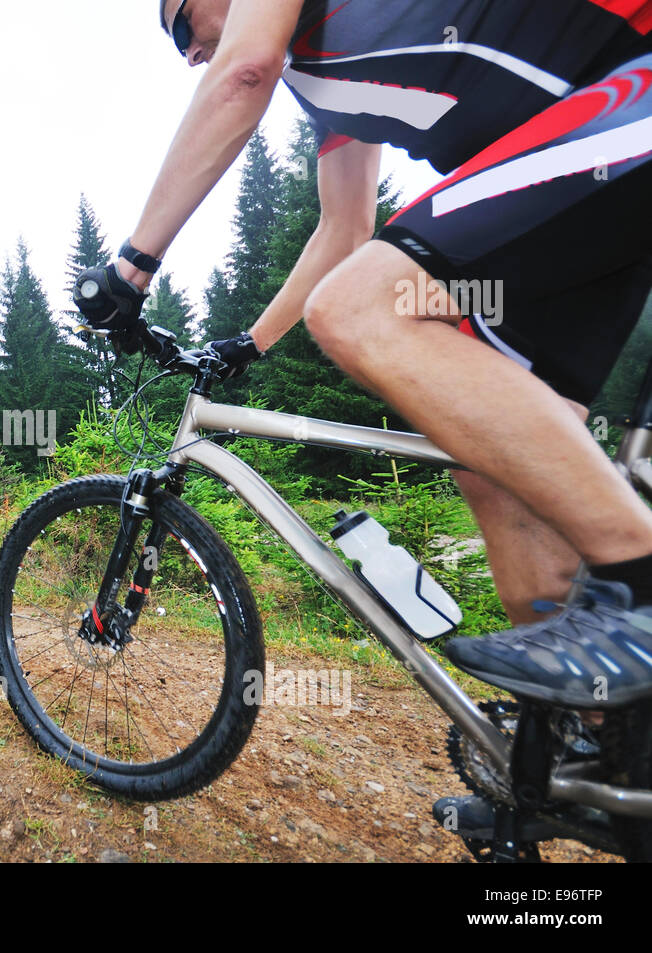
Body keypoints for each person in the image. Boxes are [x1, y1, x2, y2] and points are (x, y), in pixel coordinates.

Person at [76, 1, 652, 756]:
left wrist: (130, 267)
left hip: (620, 102)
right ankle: (594, 746)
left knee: (357, 310)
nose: (187, 54)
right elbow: (342, 230)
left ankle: (640, 592)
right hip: (582, 187)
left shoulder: (290, 35)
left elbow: (240, 73)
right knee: (497, 470)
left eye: (181, 25)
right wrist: (248, 344)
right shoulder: (324, 85)